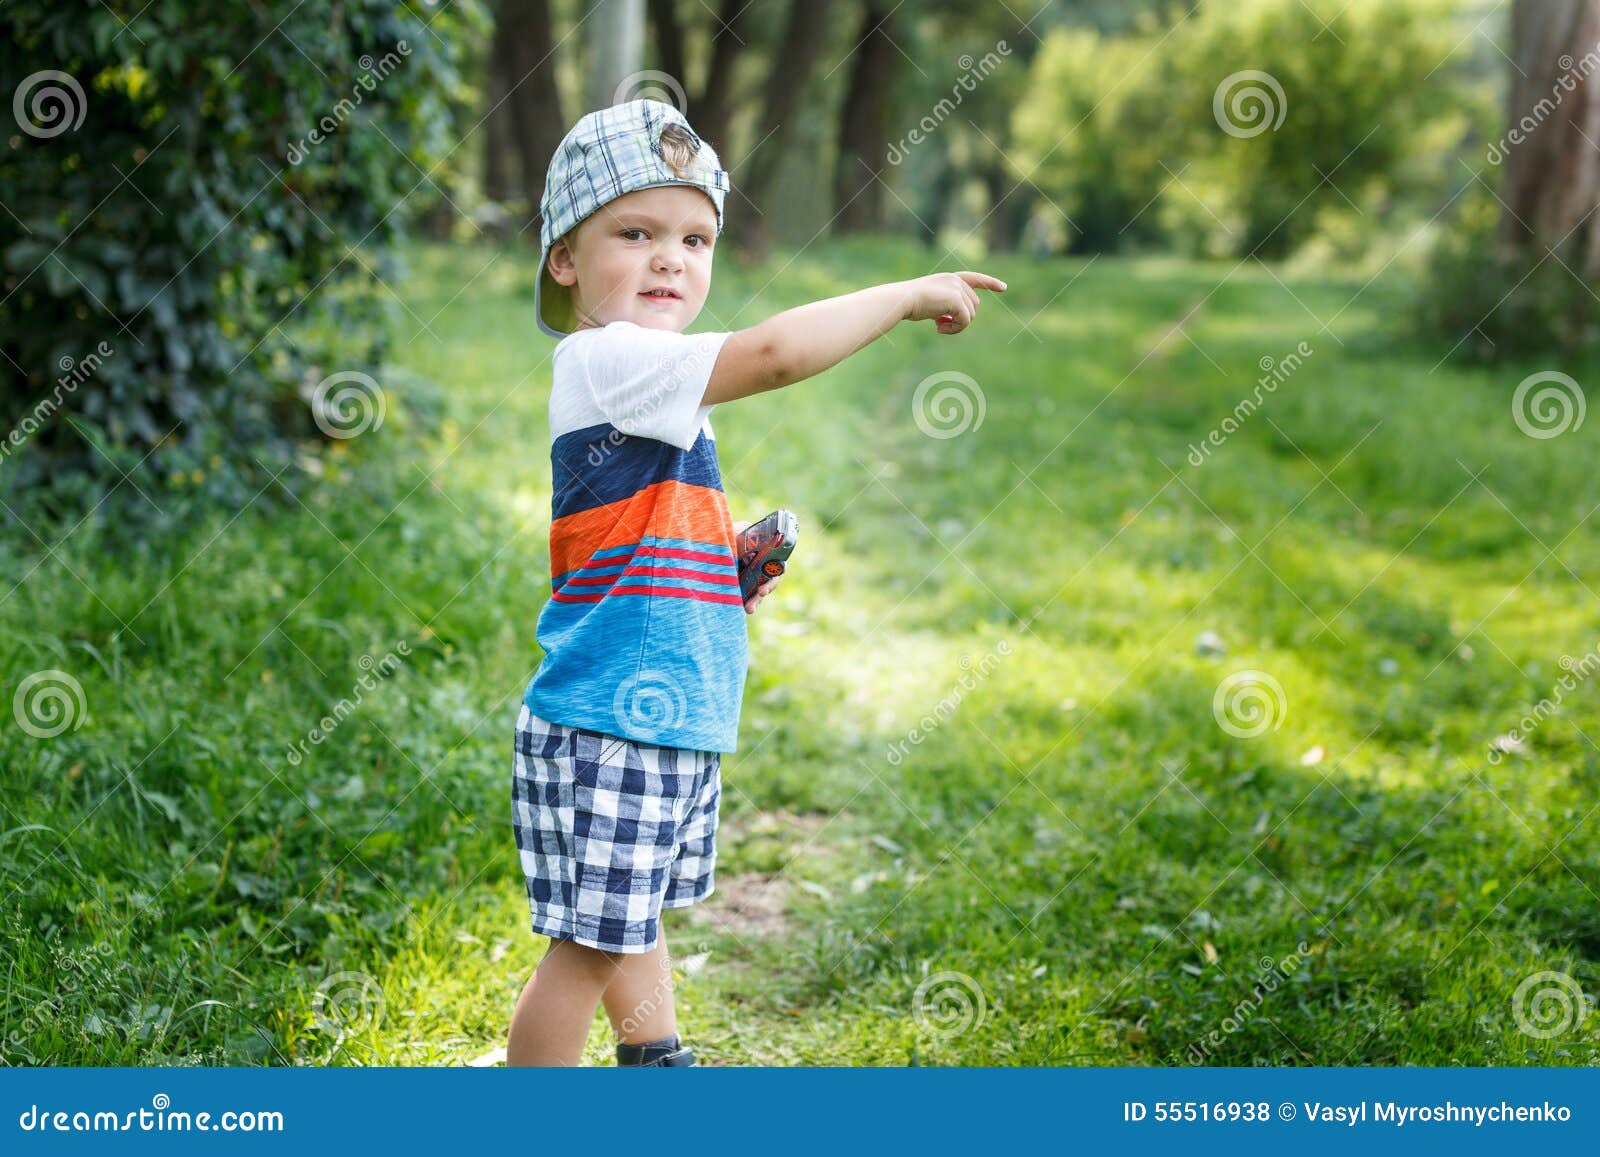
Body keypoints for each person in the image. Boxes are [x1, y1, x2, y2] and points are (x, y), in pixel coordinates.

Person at [506, 99, 1004, 1067]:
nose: (669, 259)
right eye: (635, 231)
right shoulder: (612, 358)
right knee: (588, 943)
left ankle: (658, 1061)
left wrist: (715, 569)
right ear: (564, 258)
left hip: (657, 710)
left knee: (629, 911)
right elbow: (774, 355)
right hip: (615, 718)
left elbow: (631, 535)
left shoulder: (645, 375)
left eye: (694, 238)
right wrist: (904, 294)